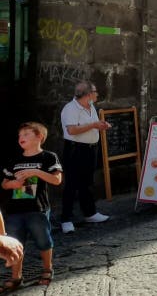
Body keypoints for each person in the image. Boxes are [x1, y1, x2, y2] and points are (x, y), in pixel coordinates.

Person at [2, 122, 63, 290]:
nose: (21, 137)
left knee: (43, 240)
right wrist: (13, 184)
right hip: (15, 210)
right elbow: (4, 184)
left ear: (39, 137)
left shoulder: (48, 157)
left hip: (38, 208)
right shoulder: (15, 159)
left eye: (26, 134)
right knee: (15, 243)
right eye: (20, 135)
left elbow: (57, 180)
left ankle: (47, 268)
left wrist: (35, 172)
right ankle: (16, 277)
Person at [60, 81, 111, 234]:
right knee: (71, 184)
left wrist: (100, 125)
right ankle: (66, 219)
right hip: (76, 149)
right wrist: (94, 125)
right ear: (88, 94)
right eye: (95, 91)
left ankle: (90, 213)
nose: (97, 94)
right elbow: (72, 130)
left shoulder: (90, 107)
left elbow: (90, 124)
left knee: (87, 182)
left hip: (90, 148)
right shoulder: (70, 108)